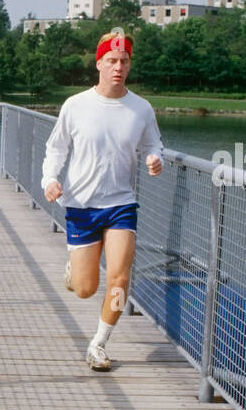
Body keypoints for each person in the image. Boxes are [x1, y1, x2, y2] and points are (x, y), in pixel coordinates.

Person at [41, 28, 163, 372]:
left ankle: (98, 343)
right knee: (84, 288)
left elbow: (154, 145)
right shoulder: (76, 105)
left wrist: (156, 159)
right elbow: (56, 148)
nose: (118, 67)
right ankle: (74, 268)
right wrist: (50, 179)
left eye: (124, 61)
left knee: (120, 280)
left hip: (121, 205)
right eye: (111, 60)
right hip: (81, 205)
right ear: (98, 64)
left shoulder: (140, 109)